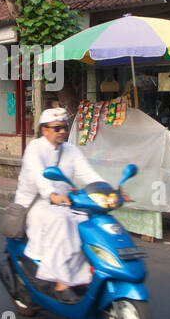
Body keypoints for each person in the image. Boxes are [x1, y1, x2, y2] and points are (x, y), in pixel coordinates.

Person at [14, 107, 108, 303]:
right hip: (36, 204)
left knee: (87, 221)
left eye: (64, 127)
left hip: (65, 202)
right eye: (57, 128)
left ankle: (85, 275)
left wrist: (108, 190)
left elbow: (87, 173)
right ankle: (61, 282)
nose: (62, 132)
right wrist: (52, 194)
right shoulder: (34, 148)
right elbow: (39, 175)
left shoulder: (71, 150)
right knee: (62, 221)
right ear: (44, 130)